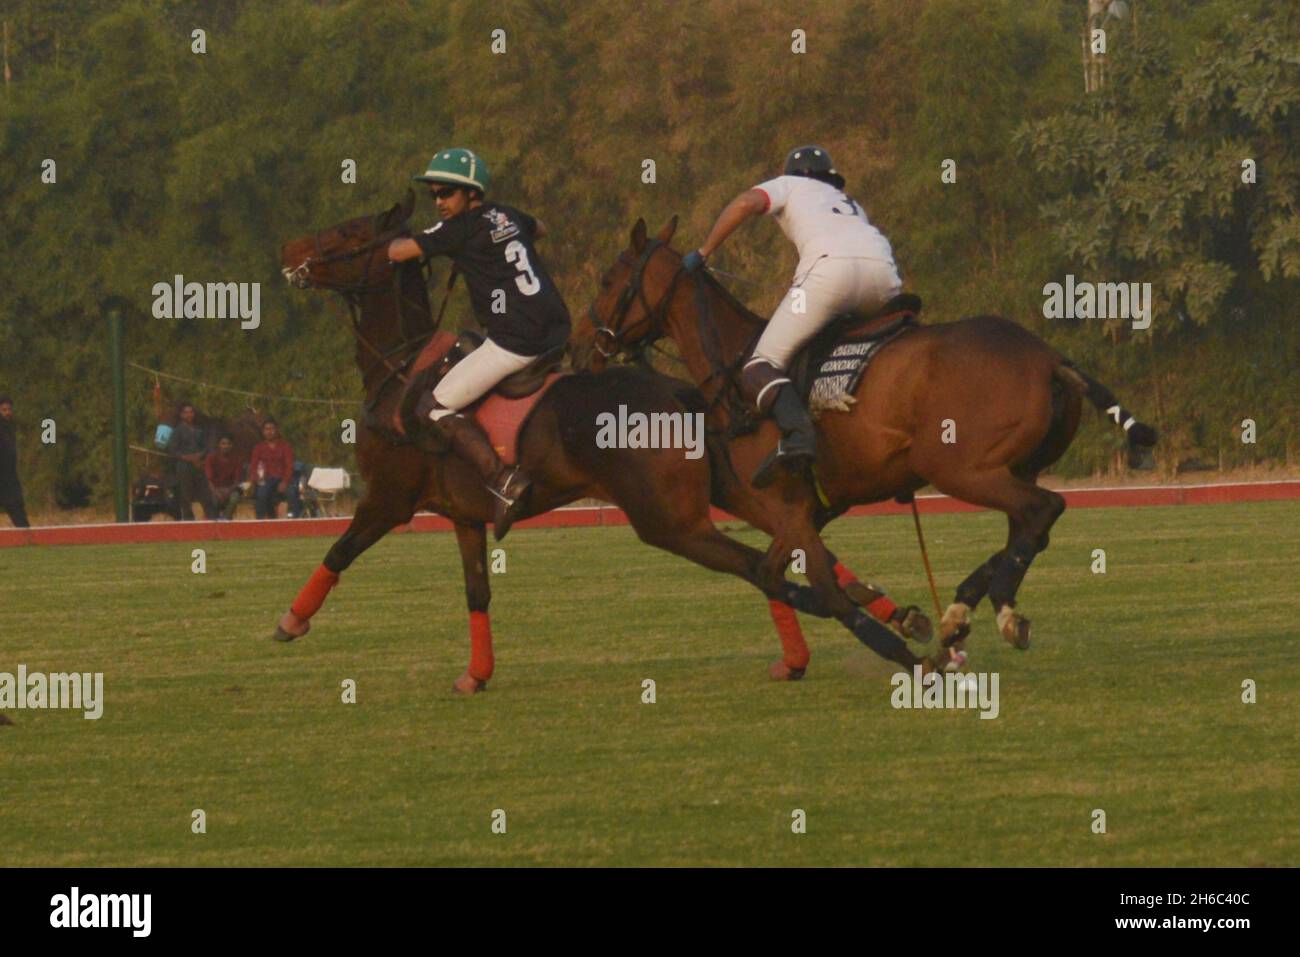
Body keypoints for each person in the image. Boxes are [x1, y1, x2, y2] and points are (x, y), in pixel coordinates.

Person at [682, 145, 903, 487]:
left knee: (759, 365)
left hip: (829, 276)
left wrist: (704, 250)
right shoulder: (851, 204)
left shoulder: (788, 185)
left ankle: (799, 435)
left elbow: (744, 203)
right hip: (885, 279)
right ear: (829, 176)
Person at [386, 147, 570, 540]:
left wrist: (386, 240)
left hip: (517, 342)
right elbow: (542, 228)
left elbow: (399, 252)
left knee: (433, 406)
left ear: (471, 194)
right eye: (435, 194)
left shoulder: (460, 228)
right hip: (557, 330)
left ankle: (502, 480)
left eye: (447, 194)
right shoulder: (507, 214)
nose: (439, 203)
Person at [165, 402, 212, 520]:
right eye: (186, 412)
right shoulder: (178, 431)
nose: (189, 415)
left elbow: (206, 447)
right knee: (186, 497)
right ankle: (188, 521)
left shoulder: (199, 430)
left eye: (191, 412)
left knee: (205, 494)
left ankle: (210, 518)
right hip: (184, 467)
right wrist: (188, 458)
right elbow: (172, 450)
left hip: (199, 466)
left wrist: (199, 456)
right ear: (181, 415)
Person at [245, 419, 295, 519]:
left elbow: (289, 466)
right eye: (267, 429)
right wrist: (256, 478)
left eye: (272, 429)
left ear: (276, 430)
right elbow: (253, 466)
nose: (269, 431)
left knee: (291, 493)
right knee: (261, 493)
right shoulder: (259, 448)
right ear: (263, 432)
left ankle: (292, 519)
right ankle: (260, 523)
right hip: (265, 479)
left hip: (282, 479)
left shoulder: (285, 446)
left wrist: (285, 482)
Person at [0, 395, 31, 528]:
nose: (7, 413)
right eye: (4, 410)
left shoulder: (10, 426)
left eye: (9, 409)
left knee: (17, 508)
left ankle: (27, 538)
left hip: (9, 477)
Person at [204, 434, 245, 521]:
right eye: (223, 443)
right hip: (215, 489)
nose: (225, 446)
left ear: (231, 445)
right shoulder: (211, 458)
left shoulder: (237, 459)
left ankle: (225, 520)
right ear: (219, 445)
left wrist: (228, 492)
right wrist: (216, 492)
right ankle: (214, 522)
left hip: (230, 489)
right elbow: (209, 480)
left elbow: (237, 481)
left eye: (228, 444)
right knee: (211, 499)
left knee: (235, 497)